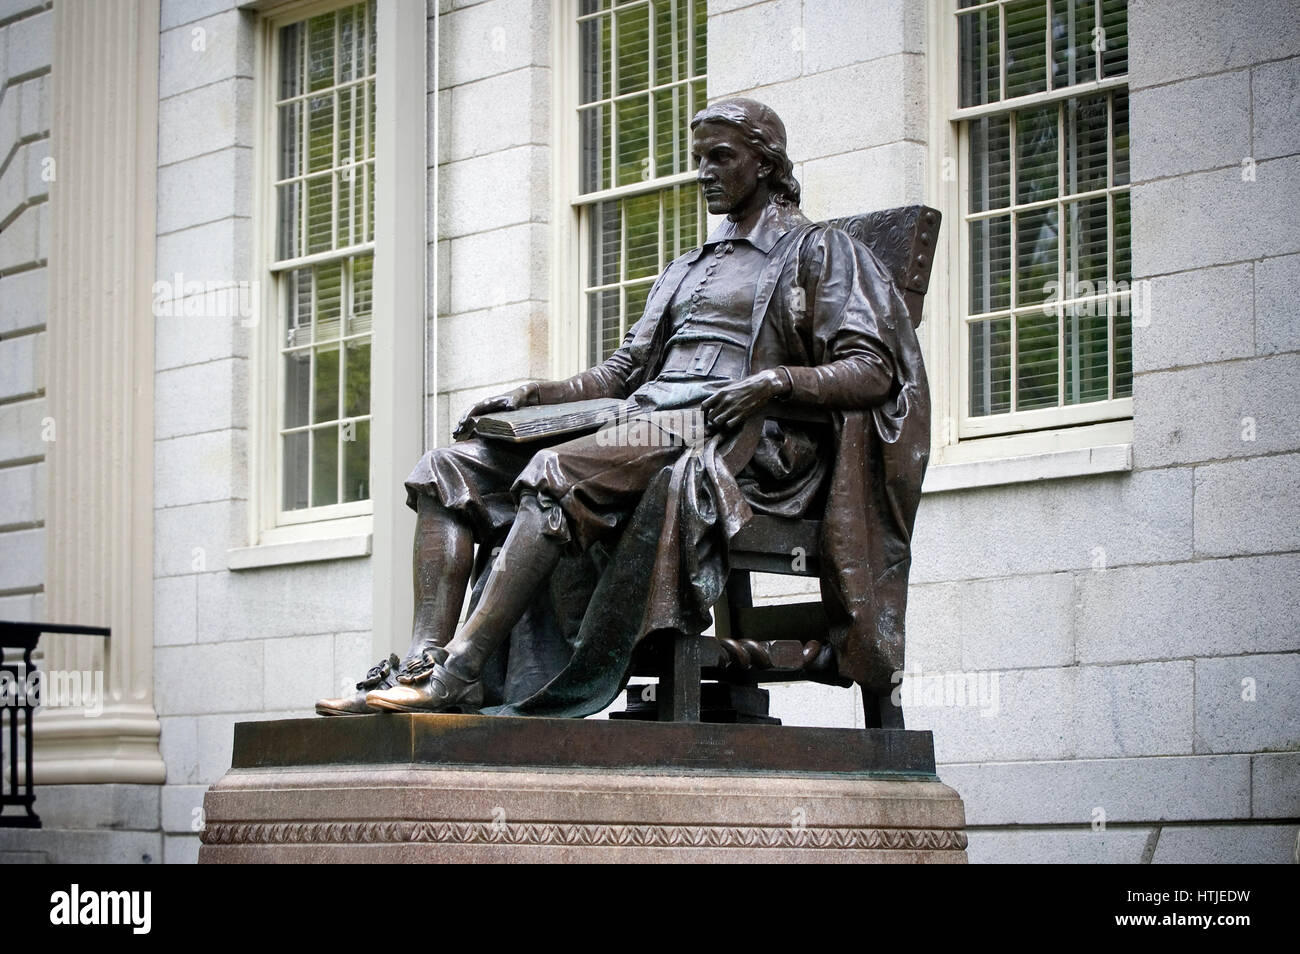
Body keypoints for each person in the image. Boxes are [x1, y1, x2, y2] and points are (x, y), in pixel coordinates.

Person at [315, 97, 929, 718]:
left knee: (556, 473)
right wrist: (540, 392)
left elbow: (874, 370)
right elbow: (625, 371)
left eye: (722, 157)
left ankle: (461, 671)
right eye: (698, 159)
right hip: (644, 417)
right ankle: (426, 659)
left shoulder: (820, 250)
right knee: (449, 468)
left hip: (731, 435)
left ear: (767, 164)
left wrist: (775, 383)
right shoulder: (688, 267)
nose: (704, 172)